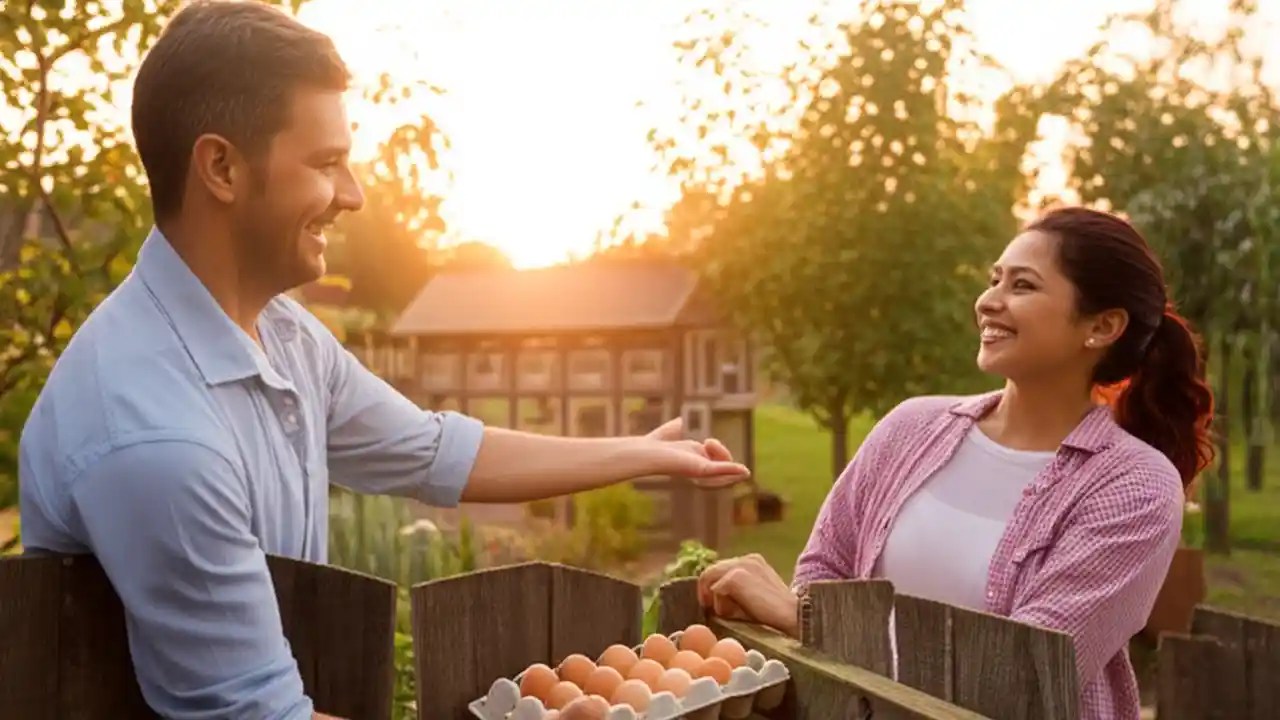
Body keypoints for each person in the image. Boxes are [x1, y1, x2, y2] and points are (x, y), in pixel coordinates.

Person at [15, 2, 749, 719]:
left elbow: (434, 451)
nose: (355, 196)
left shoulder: (285, 339)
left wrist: (641, 453)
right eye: (328, 163)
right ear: (221, 168)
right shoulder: (153, 435)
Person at [696, 206, 1214, 720]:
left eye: (1023, 286)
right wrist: (806, 616)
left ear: (1101, 326)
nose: (988, 302)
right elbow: (824, 572)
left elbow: (1019, 679)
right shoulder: (910, 428)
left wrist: (800, 621)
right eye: (994, 280)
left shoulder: (1134, 487)